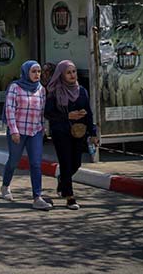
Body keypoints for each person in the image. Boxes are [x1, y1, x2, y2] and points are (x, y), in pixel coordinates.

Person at [45, 60, 98, 210]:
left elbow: (88, 113)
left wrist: (93, 133)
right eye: (68, 72)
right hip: (60, 132)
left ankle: (62, 180)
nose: (72, 75)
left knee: (76, 163)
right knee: (66, 163)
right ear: (61, 75)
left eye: (74, 72)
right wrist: (67, 116)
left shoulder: (81, 91)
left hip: (78, 133)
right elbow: (48, 113)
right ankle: (70, 197)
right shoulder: (54, 91)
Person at [0, 60, 53, 210]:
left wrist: (43, 129)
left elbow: (42, 111)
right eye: (33, 72)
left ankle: (37, 197)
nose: (37, 75)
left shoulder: (41, 90)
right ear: (26, 72)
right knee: (14, 160)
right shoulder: (15, 88)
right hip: (18, 131)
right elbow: (9, 110)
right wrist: (14, 130)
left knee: (36, 163)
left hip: (35, 131)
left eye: (38, 72)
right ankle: (5, 185)